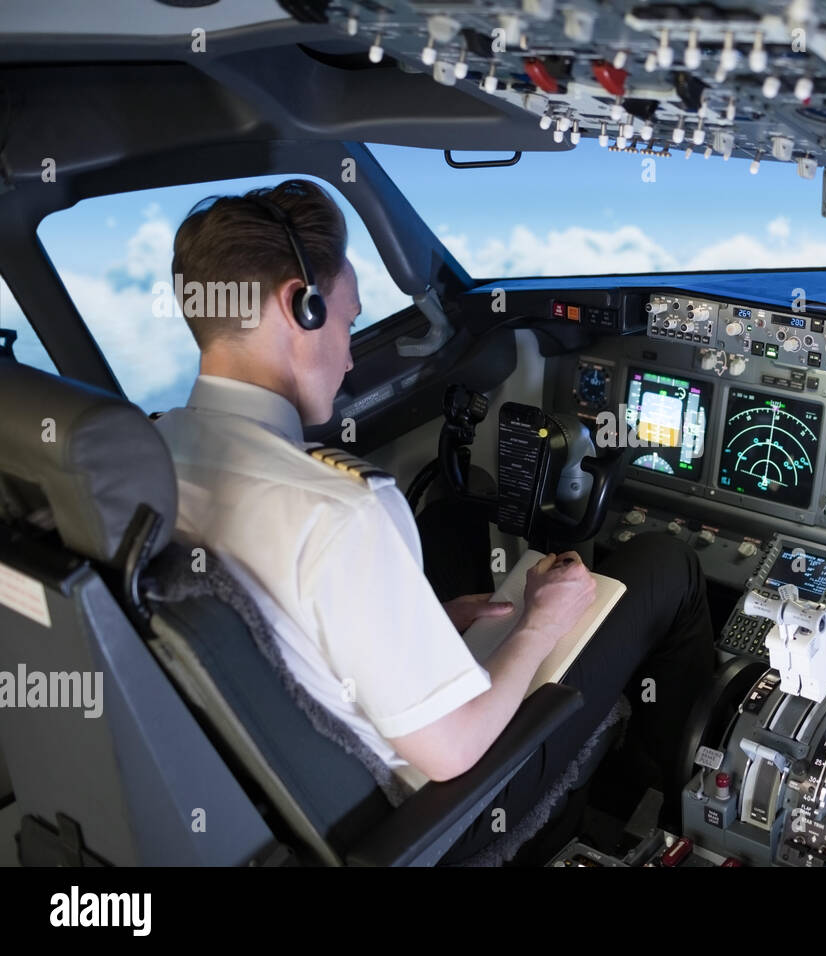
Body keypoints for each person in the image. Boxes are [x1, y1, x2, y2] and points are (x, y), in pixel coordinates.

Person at [152, 179, 715, 860]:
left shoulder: (151, 455)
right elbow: (453, 752)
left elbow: (273, 649)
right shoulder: (338, 508)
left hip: (291, 801)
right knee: (665, 564)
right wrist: (544, 623)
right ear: (297, 308)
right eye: (347, 322)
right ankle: (667, 804)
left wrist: (427, 627)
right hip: (438, 820)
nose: (353, 352)